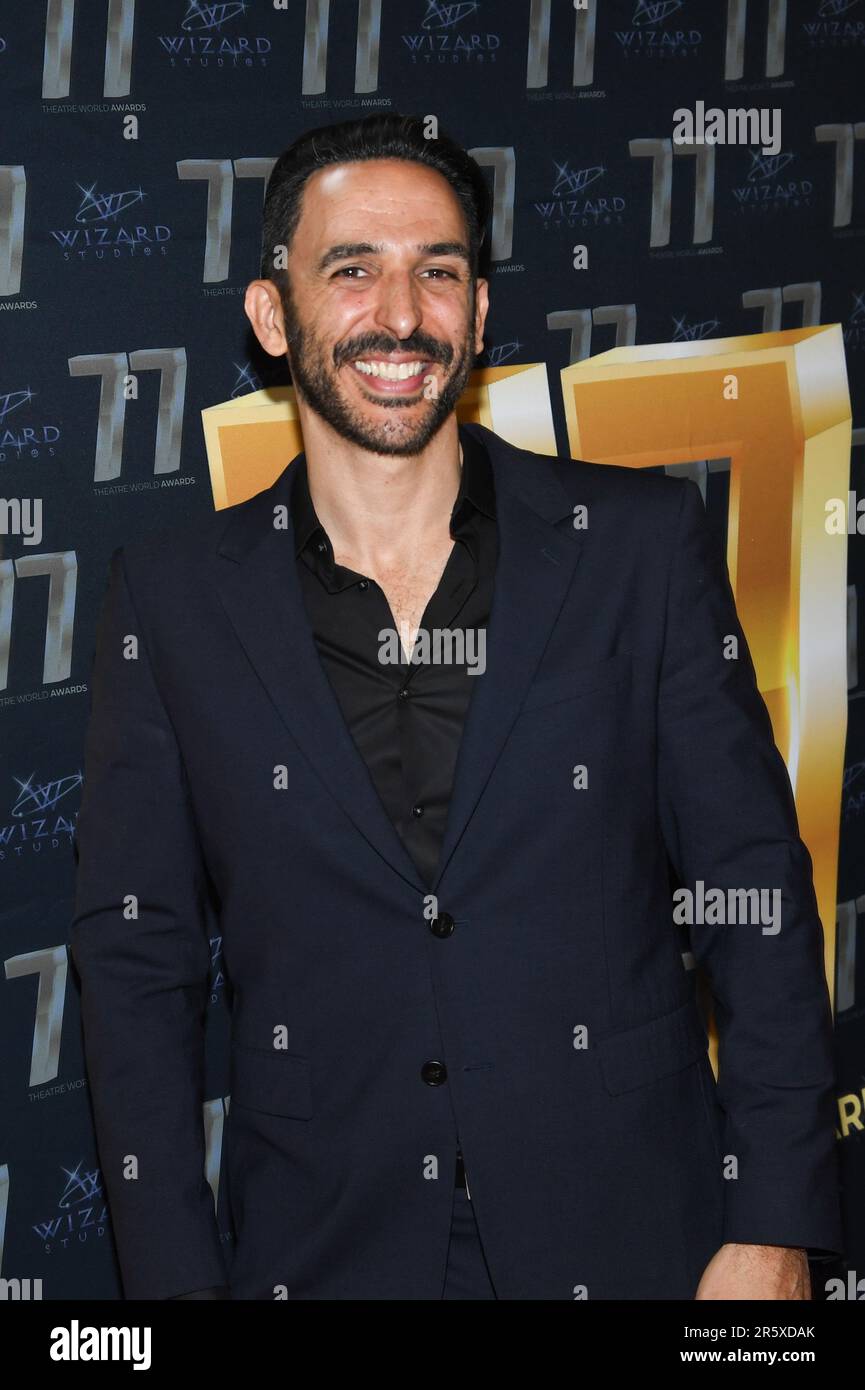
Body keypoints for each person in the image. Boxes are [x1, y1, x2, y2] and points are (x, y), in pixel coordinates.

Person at [69, 113, 842, 1301]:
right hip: (327, 1247)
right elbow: (136, 969)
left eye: (437, 271)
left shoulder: (635, 546)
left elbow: (754, 891)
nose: (400, 315)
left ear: (478, 313)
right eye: (351, 270)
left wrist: (776, 1224)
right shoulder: (170, 602)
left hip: (643, 1234)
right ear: (272, 314)